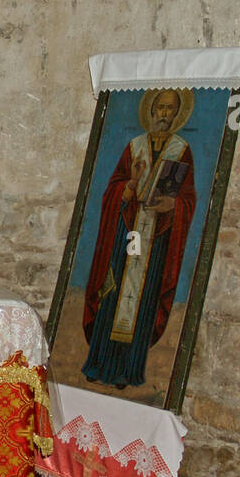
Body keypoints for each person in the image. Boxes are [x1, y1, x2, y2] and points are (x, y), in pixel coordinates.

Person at [81, 88, 197, 389]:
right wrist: (130, 185)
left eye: (171, 109)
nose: (164, 114)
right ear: (150, 110)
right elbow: (113, 191)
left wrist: (172, 205)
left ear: (177, 113)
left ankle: (127, 372)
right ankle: (98, 364)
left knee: (143, 300)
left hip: (155, 239)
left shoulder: (181, 150)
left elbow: (188, 197)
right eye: (160, 107)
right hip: (126, 235)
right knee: (113, 294)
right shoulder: (134, 147)